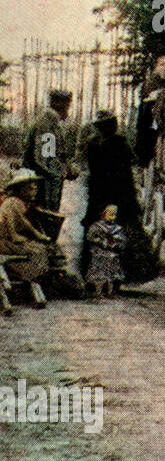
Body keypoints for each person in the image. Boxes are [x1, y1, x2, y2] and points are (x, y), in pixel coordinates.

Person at [81, 110, 148, 281]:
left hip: (101, 193)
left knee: (98, 230)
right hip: (119, 193)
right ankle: (121, 273)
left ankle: (95, 273)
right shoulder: (120, 143)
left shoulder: (94, 143)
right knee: (120, 230)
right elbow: (129, 164)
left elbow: (93, 169)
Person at [0, 169, 53, 307]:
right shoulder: (12, 202)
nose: (34, 189)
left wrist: (39, 236)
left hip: (9, 240)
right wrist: (15, 236)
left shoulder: (22, 204)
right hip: (4, 241)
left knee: (40, 249)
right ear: (21, 189)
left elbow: (25, 224)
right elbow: (11, 223)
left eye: (35, 186)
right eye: (30, 187)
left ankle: (32, 279)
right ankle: (29, 277)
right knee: (36, 250)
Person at [21, 88, 76, 211]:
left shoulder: (50, 122)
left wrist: (67, 168)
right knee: (45, 217)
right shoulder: (47, 124)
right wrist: (65, 171)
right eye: (67, 106)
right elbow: (46, 160)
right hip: (44, 186)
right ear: (59, 105)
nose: (68, 110)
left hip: (45, 182)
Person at [84, 204, 126, 298]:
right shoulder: (96, 226)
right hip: (99, 252)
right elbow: (90, 237)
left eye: (114, 214)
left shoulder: (118, 228)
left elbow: (123, 241)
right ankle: (99, 292)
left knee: (113, 274)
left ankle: (111, 292)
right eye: (110, 214)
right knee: (99, 273)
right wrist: (101, 242)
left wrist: (116, 244)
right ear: (104, 213)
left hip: (112, 253)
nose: (112, 216)